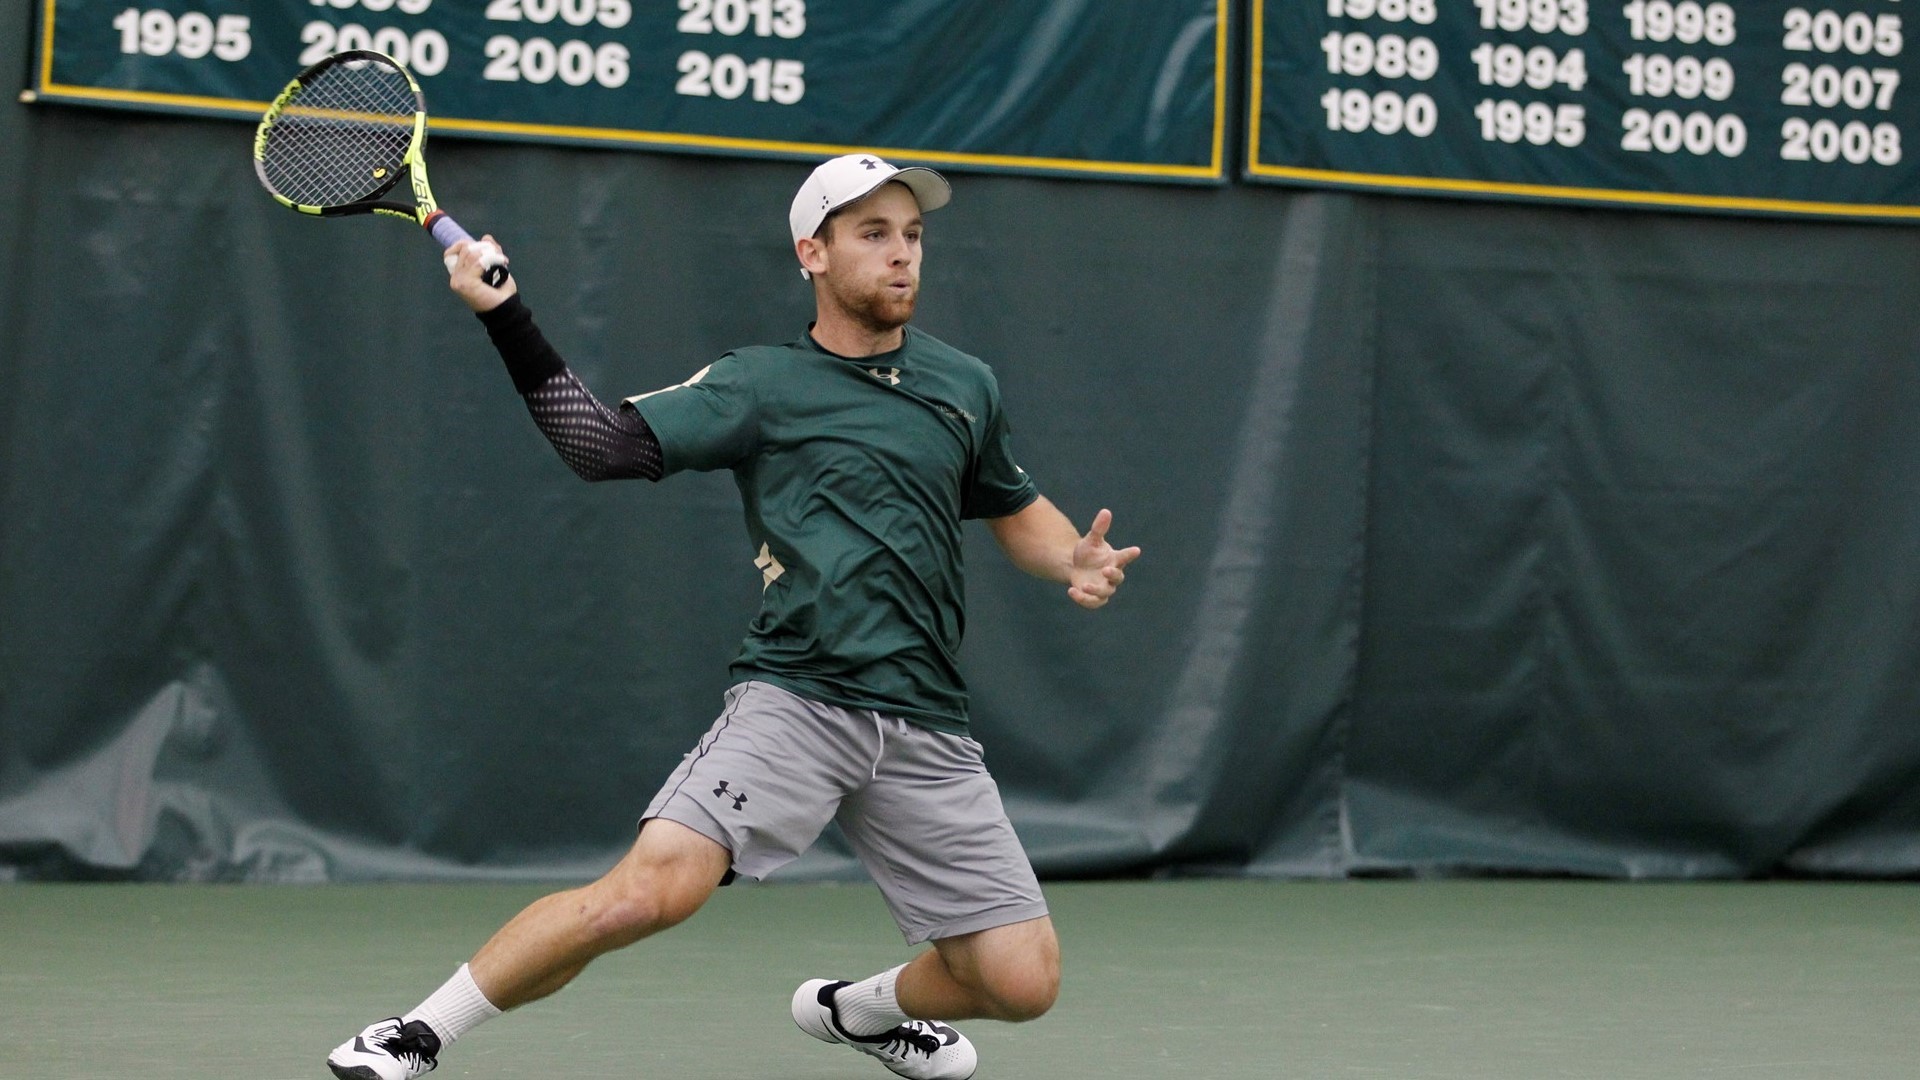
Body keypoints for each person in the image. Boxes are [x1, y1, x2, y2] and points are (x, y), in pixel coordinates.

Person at [325, 153, 1141, 1080]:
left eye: (914, 235)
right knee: (647, 895)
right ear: (813, 253)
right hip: (799, 699)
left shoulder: (964, 386)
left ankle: (857, 1013)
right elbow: (599, 447)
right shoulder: (760, 384)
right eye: (874, 233)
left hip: (926, 718)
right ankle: (415, 1033)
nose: (903, 254)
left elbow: (1011, 507)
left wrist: (1071, 557)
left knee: (1021, 980)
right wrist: (504, 314)